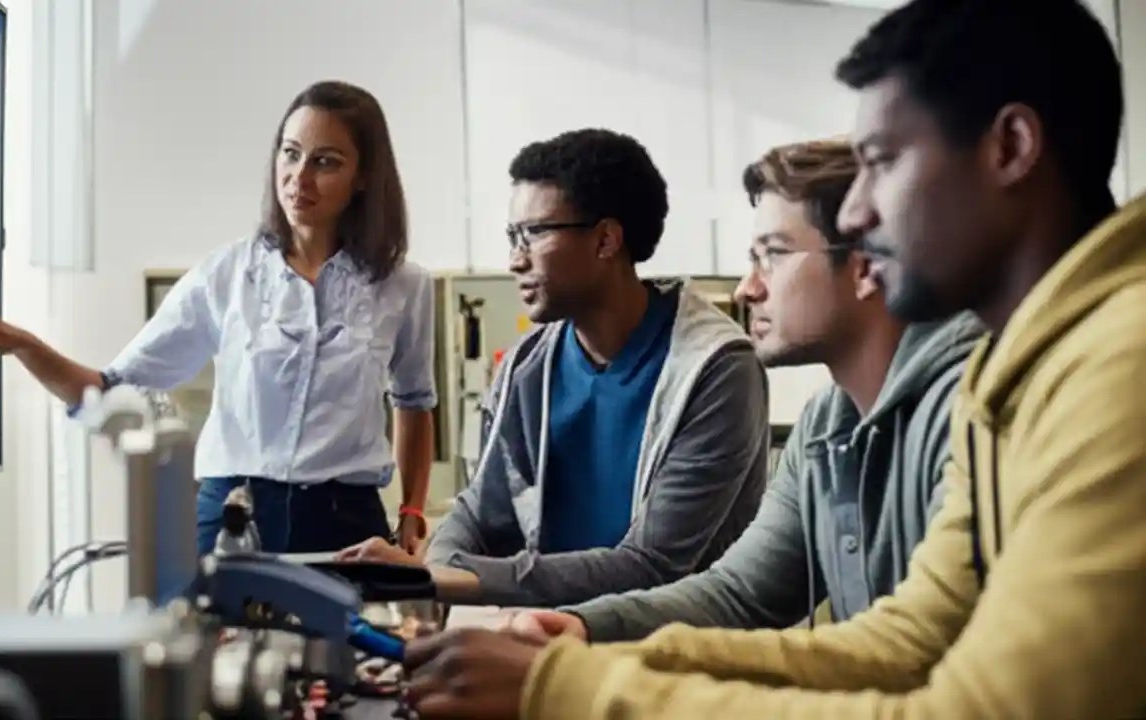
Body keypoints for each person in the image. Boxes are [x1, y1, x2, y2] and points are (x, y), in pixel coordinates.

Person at [399, 1, 1146, 718]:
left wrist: (572, 692)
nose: (857, 215)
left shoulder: (1122, 365)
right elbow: (906, 636)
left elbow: (996, 707)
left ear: (1010, 148)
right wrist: (596, 646)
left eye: (883, 162)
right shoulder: (1015, 372)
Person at [509, 137, 982, 644]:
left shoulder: (969, 418)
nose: (746, 289)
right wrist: (583, 625)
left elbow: (923, 651)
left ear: (867, 264)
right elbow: (741, 592)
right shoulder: (826, 424)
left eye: (772, 256)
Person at [0, 81, 437, 558]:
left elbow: (414, 401)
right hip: (232, 516)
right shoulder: (226, 274)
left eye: (325, 162)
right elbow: (110, 387)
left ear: (365, 176)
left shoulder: (403, 286)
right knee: (213, 645)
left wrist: (413, 508)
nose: (298, 177)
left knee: (354, 645)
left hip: (345, 522)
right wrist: (28, 347)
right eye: (289, 153)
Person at [339, 128, 770, 607]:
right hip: (555, 644)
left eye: (534, 233)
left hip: (676, 658)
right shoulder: (529, 365)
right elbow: (480, 512)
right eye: (512, 235)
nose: (514, 259)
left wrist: (449, 576)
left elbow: (654, 565)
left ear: (606, 239)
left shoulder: (715, 368)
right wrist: (439, 569)